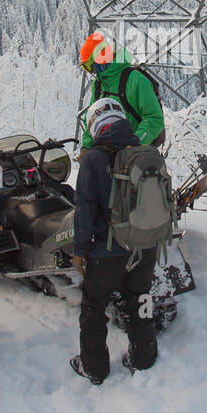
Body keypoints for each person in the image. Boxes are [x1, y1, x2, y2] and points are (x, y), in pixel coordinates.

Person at [69, 98, 158, 384]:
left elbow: (85, 210)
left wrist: (80, 251)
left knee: (94, 308)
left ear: (96, 126)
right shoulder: (148, 153)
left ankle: (94, 368)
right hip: (146, 246)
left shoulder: (93, 160)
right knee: (140, 299)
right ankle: (143, 358)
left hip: (107, 251)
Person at [78, 31, 165, 151]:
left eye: (89, 66)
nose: (91, 72)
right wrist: (86, 146)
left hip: (137, 157)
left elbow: (155, 119)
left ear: (99, 59)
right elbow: (91, 120)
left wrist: (134, 142)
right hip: (107, 154)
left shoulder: (135, 80)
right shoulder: (98, 85)